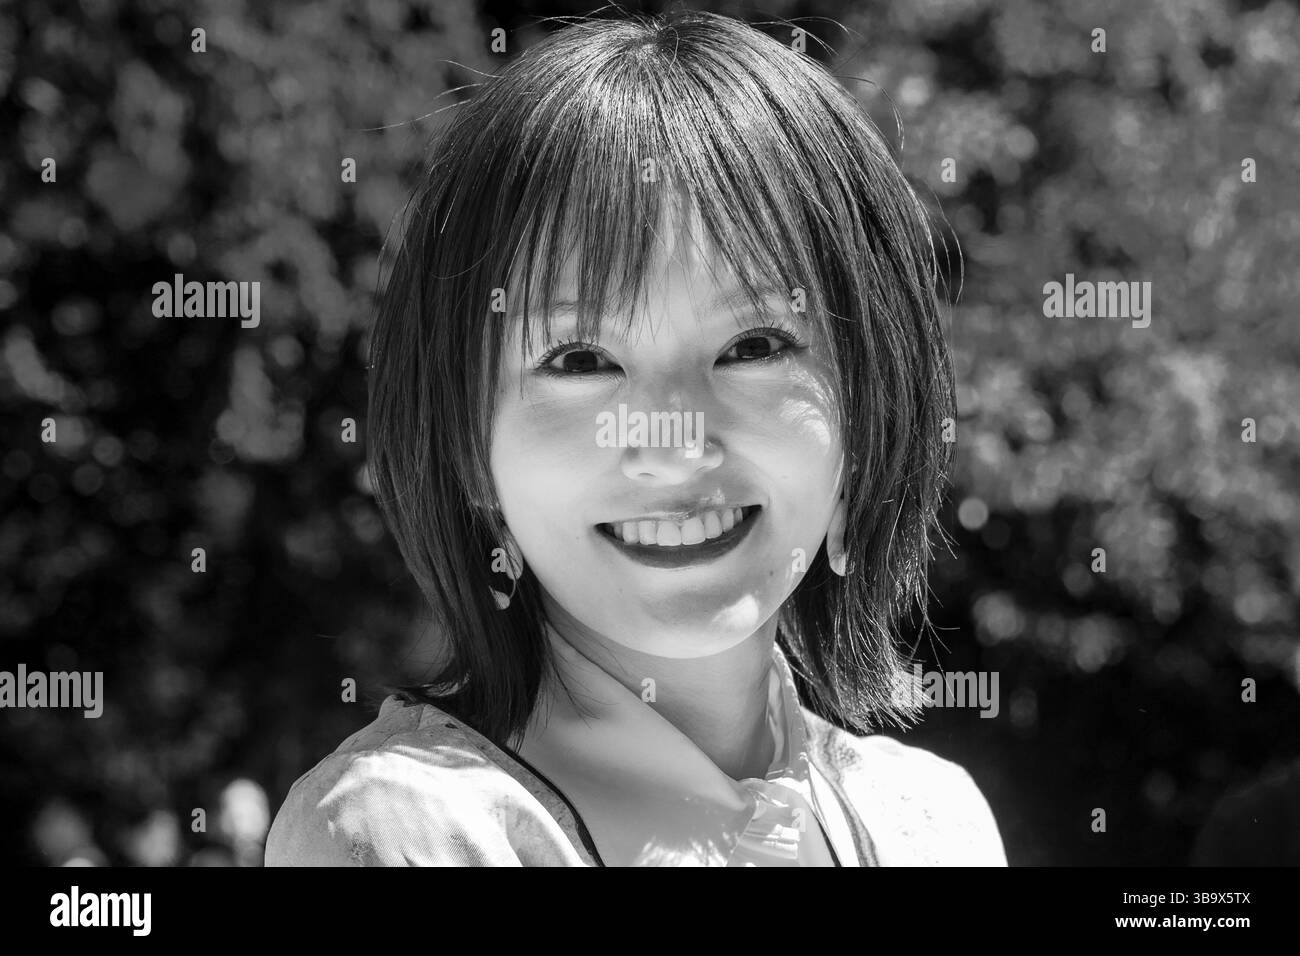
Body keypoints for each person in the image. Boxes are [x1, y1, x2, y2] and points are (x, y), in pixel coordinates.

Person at [265, 9, 1006, 867]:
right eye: (581, 359)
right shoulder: (408, 833)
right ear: (469, 447)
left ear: (869, 416)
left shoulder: (934, 825)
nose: (673, 440)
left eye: (754, 345)